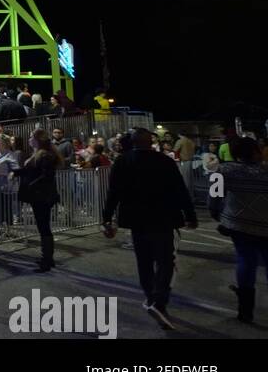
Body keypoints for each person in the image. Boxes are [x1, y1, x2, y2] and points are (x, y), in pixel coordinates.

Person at [102, 128, 197, 328]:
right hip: (163, 217)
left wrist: (107, 218)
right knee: (165, 260)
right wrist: (190, 215)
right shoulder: (165, 161)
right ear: (150, 141)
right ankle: (159, 299)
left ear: (133, 142)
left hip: (137, 219)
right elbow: (180, 190)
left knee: (144, 260)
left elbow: (114, 192)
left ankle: (150, 296)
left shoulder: (123, 161)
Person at [208, 137, 268, 323]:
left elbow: (214, 197)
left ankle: (245, 311)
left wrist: (219, 215)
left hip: (238, 224)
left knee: (245, 261)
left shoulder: (223, 170)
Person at [13, 129, 62, 272]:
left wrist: (30, 185)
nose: (28, 139)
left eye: (31, 137)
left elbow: (46, 176)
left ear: (37, 139)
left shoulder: (45, 155)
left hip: (42, 197)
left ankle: (47, 260)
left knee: (44, 227)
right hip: (40, 196)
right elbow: (30, 171)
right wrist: (16, 173)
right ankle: (47, 257)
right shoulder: (39, 154)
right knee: (43, 227)